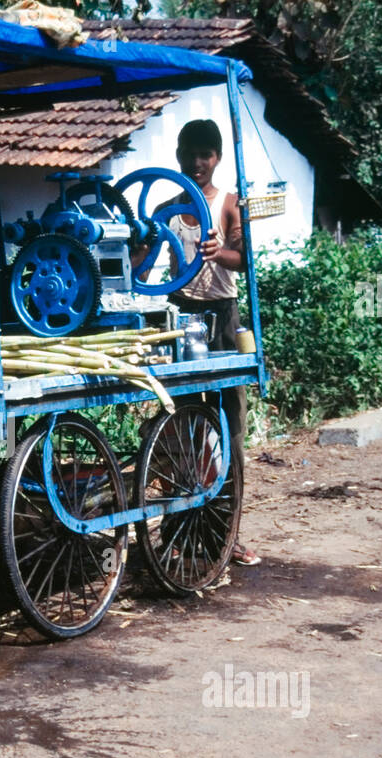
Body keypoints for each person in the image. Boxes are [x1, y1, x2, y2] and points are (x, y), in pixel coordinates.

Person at [135, 118, 260, 567]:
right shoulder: (167, 206)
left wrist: (217, 252)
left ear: (217, 158)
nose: (196, 162)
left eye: (205, 154)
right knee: (179, 430)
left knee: (230, 431)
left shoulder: (228, 206)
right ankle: (179, 525)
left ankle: (226, 532)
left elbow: (245, 260)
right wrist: (132, 251)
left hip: (223, 323)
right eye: (190, 153)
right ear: (178, 156)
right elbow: (142, 263)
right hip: (179, 321)